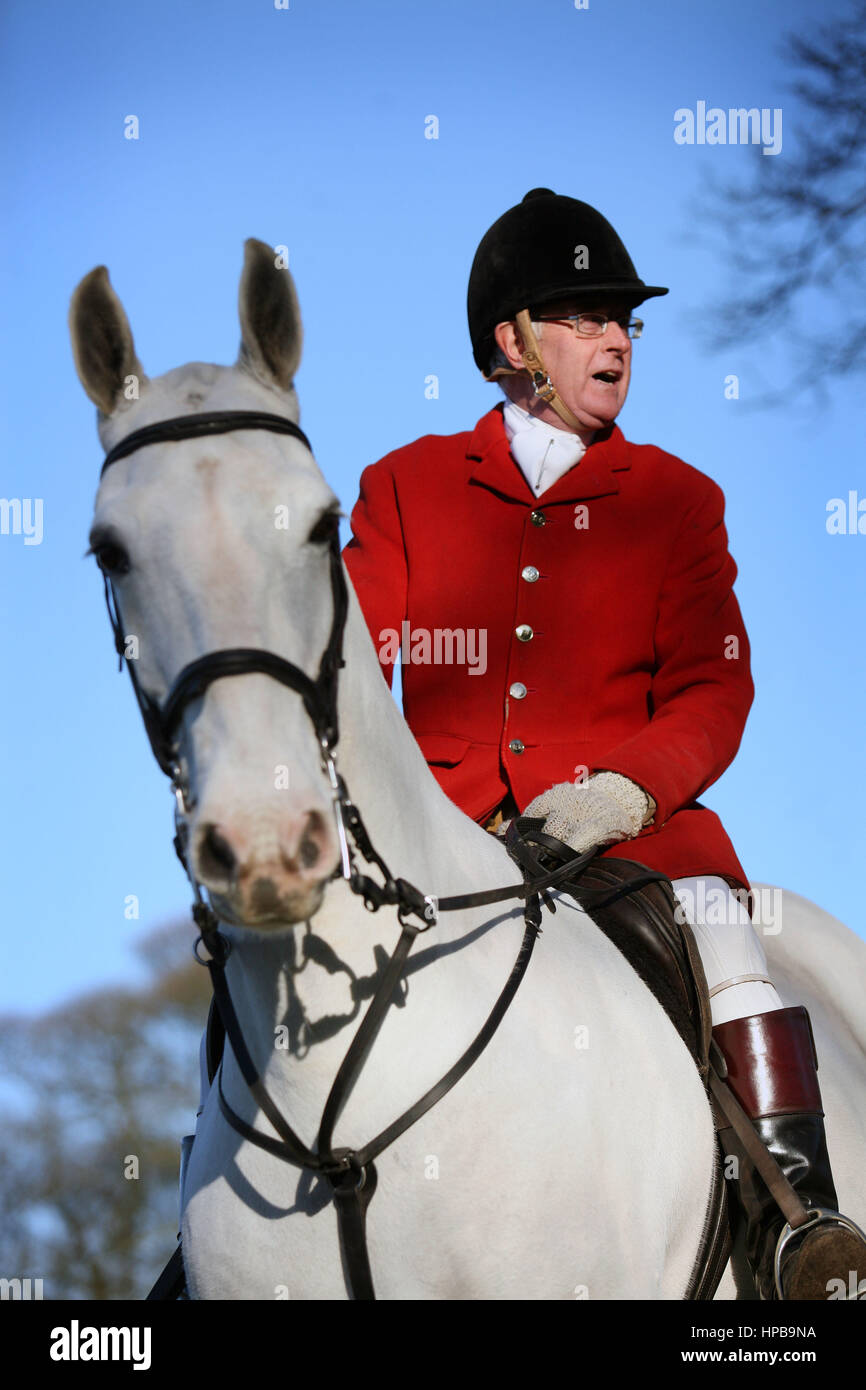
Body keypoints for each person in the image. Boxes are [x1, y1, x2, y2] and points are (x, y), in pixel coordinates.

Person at [342, 188, 865, 1299]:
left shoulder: (676, 500)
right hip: (443, 839)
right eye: (584, 315)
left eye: (624, 318)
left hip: (631, 838)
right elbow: (346, 668)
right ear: (511, 340)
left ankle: (794, 1217)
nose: (616, 337)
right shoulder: (406, 485)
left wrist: (625, 790)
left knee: (725, 933)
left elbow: (714, 685)